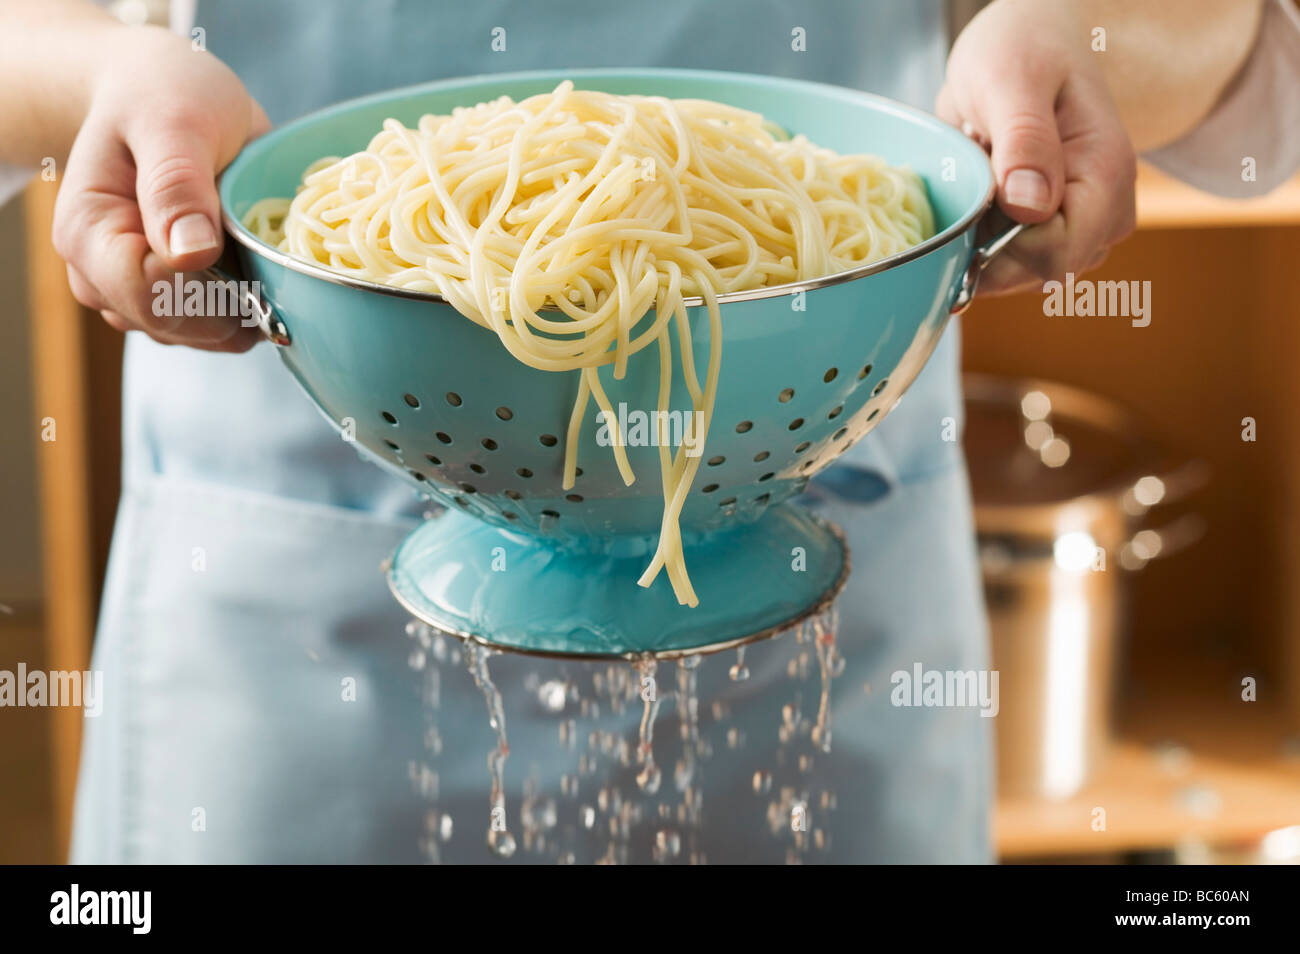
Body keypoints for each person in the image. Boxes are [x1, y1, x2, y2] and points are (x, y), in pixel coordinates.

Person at [0, 0, 1290, 863]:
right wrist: (110, 77)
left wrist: (1079, 32)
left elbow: (1246, 41)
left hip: (824, 499)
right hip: (293, 603)